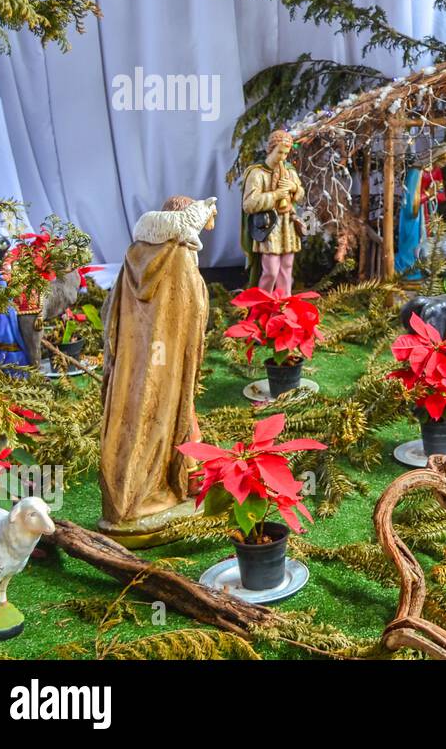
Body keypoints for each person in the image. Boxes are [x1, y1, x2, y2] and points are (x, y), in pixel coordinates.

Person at [98, 196, 216, 536]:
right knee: (164, 417)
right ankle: (151, 495)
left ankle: (173, 482)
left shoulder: (137, 253)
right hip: (165, 366)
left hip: (135, 366)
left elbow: (113, 311)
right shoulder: (177, 255)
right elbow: (186, 312)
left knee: (154, 416)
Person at [241, 130, 305, 295]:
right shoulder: (257, 173)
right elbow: (248, 204)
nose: (283, 157)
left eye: (286, 153)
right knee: (271, 270)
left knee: (287, 268)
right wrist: (275, 195)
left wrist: (294, 187)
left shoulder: (290, 171)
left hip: (287, 224)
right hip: (269, 226)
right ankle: (263, 304)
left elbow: (301, 195)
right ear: (270, 149)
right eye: (280, 152)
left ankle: (284, 305)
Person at [395, 144, 446, 278]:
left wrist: (434, 193)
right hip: (413, 214)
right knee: (413, 240)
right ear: (435, 157)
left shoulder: (437, 171)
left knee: (428, 239)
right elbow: (410, 200)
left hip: (428, 210)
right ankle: (410, 271)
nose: (444, 165)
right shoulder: (416, 171)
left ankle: (424, 268)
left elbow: (440, 194)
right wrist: (429, 193)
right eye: (443, 161)